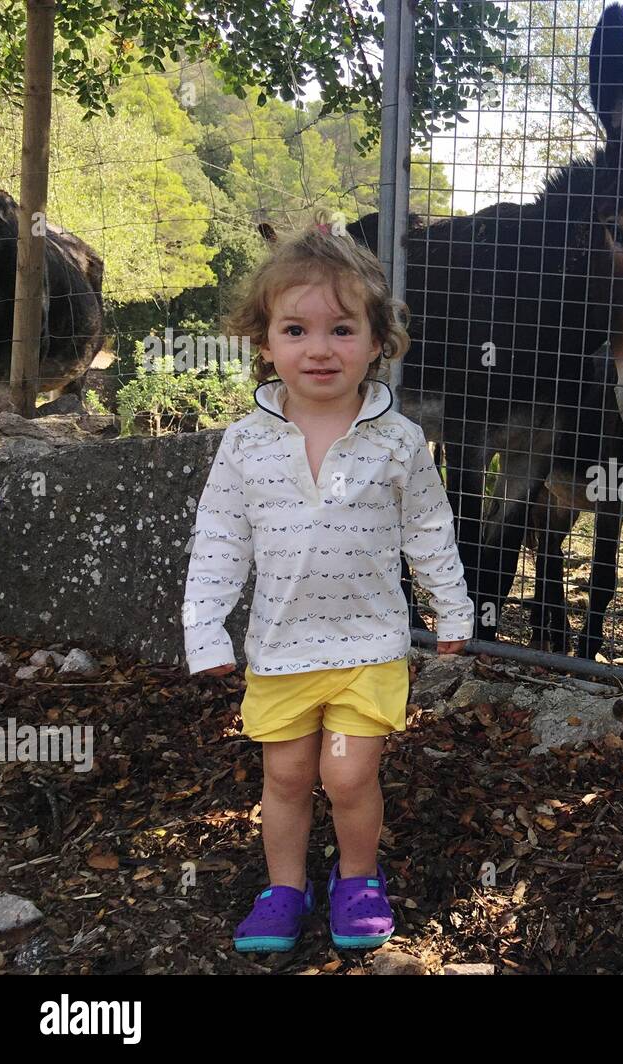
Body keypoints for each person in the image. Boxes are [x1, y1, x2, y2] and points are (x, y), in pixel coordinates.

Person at [181, 220, 472, 953]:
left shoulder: (398, 440)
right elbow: (220, 538)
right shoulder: (245, 443)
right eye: (296, 328)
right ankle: (283, 889)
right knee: (283, 777)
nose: (319, 348)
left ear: (377, 342)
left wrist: (451, 609)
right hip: (279, 649)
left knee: (346, 775)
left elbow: (429, 532)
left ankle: (359, 878)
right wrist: (204, 628)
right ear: (265, 341)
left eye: (342, 328)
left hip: (369, 644)